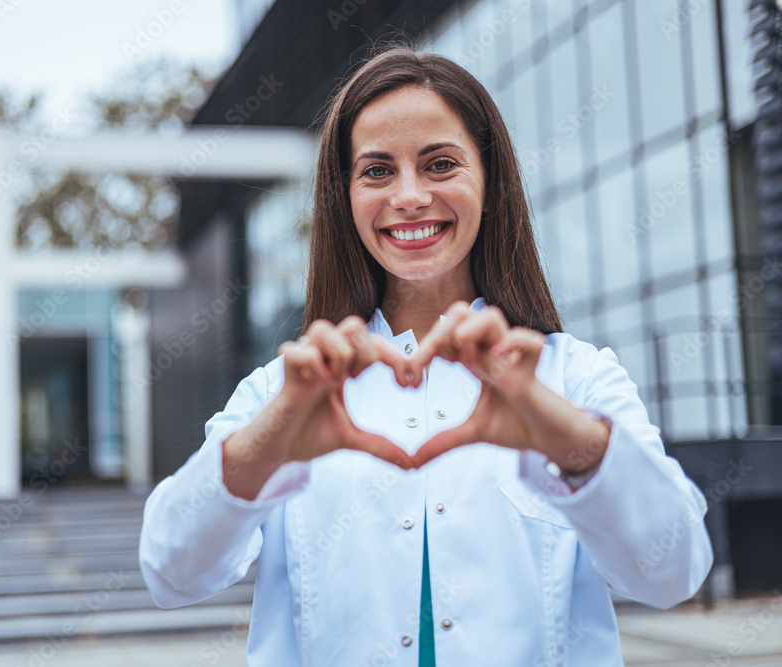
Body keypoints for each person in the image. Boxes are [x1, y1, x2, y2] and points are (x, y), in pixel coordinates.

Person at [139, 46, 713, 666]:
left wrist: (568, 440)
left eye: (440, 164)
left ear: (491, 187)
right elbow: (171, 572)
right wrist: (272, 438)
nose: (409, 197)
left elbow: (673, 571)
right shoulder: (281, 393)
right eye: (377, 171)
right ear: (346, 199)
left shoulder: (575, 379)